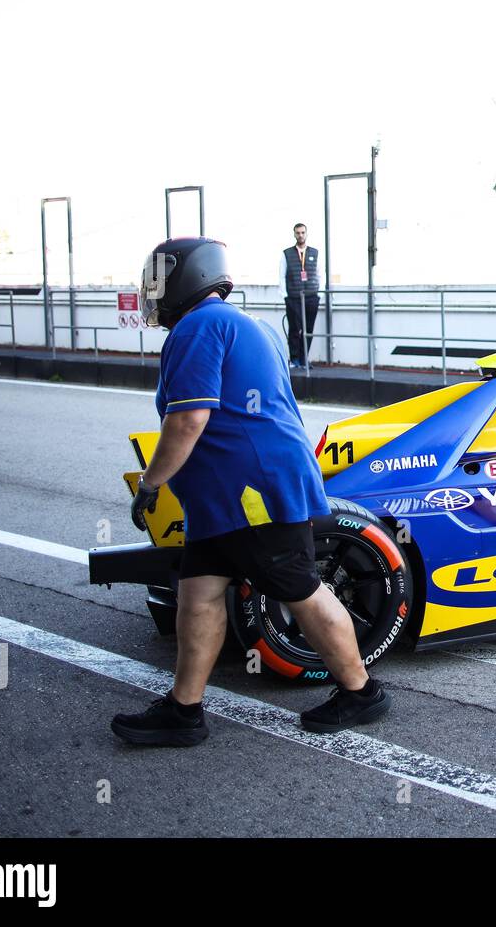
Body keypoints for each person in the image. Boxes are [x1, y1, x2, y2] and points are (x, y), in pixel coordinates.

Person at [112, 236, 389, 746]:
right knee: (198, 595)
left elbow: (189, 418)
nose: (153, 290)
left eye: (160, 278)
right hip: (230, 496)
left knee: (300, 590)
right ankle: (184, 711)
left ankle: (362, 691)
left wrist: (151, 484)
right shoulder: (246, 323)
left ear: (186, 278)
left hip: (251, 495)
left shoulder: (198, 326)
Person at [278, 222, 320, 368]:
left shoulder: (315, 253)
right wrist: (285, 295)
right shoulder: (287, 253)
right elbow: (281, 275)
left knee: (308, 329)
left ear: (306, 234)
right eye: (298, 233)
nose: (300, 235)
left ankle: (304, 359)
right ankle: (294, 359)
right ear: (294, 234)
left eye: (303, 232)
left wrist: (317, 291)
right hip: (293, 297)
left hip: (311, 296)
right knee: (295, 329)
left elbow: (320, 274)